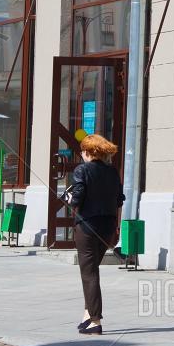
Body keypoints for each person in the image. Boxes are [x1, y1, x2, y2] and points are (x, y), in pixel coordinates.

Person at [66, 134, 124, 335]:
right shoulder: (112, 172)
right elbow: (119, 199)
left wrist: (70, 196)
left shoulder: (82, 169)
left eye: (83, 150)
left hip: (87, 226)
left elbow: (77, 197)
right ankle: (87, 315)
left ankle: (95, 321)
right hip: (107, 227)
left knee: (89, 273)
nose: (81, 154)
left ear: (89, 152)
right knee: (92, 271)